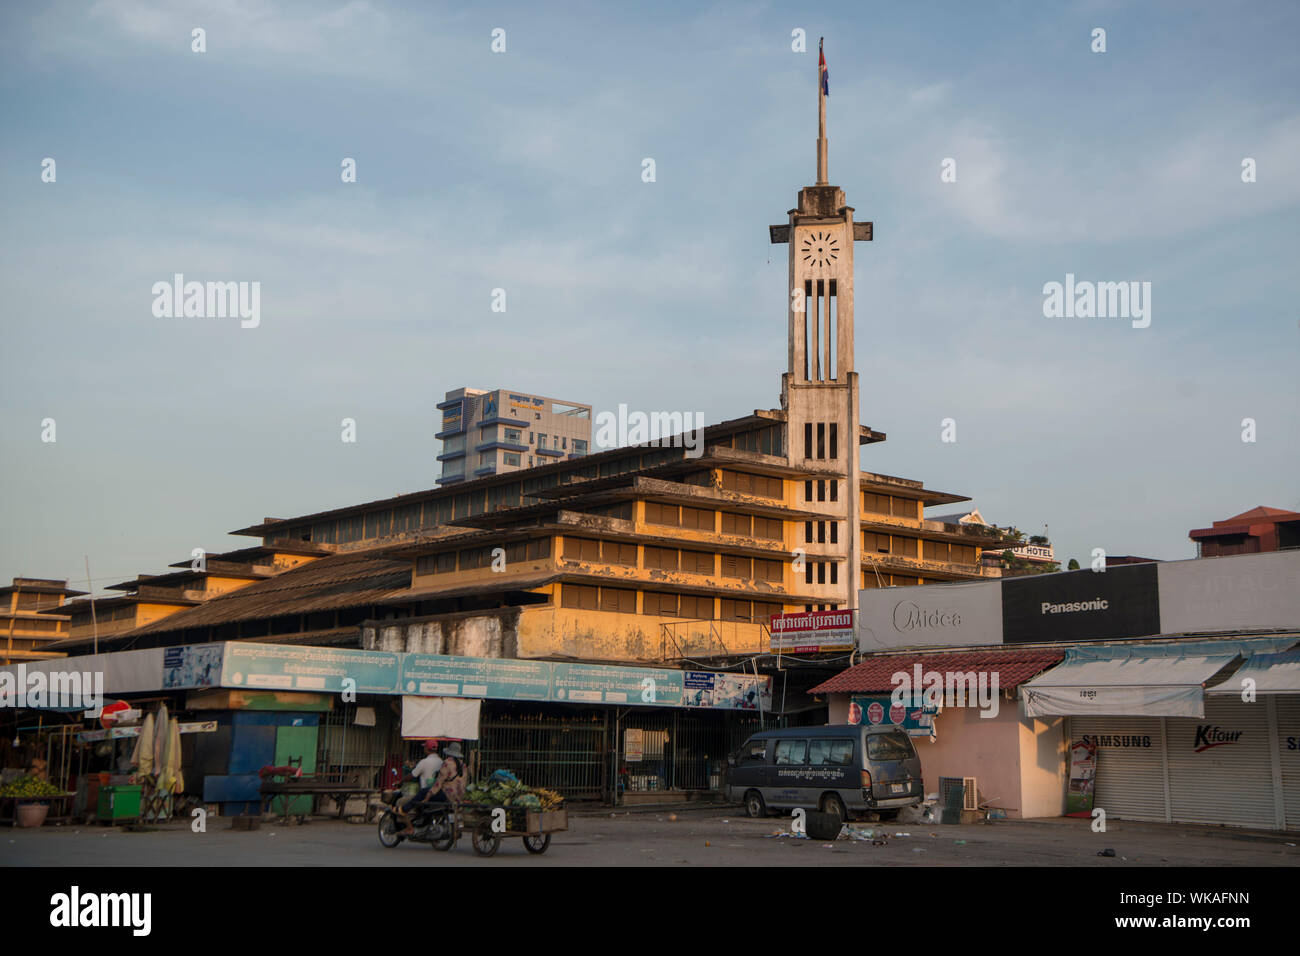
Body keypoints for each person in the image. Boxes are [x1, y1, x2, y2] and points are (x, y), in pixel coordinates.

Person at [401, 742, 466, 835]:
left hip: (446, 795)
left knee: (423, 792)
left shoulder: (447, 763)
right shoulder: (463, 765)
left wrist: (429, 794)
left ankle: (404, 809)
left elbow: (439, 782)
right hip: (458, 797)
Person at [394, 740, 442, 824]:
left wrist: (401, 782)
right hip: (437, 793)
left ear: (427, 749)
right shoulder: (441, 762)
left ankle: (407, 828)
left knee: (400, 802)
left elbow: (412, 775)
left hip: (424, 794)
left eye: (424, 747)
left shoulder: (424, 762)